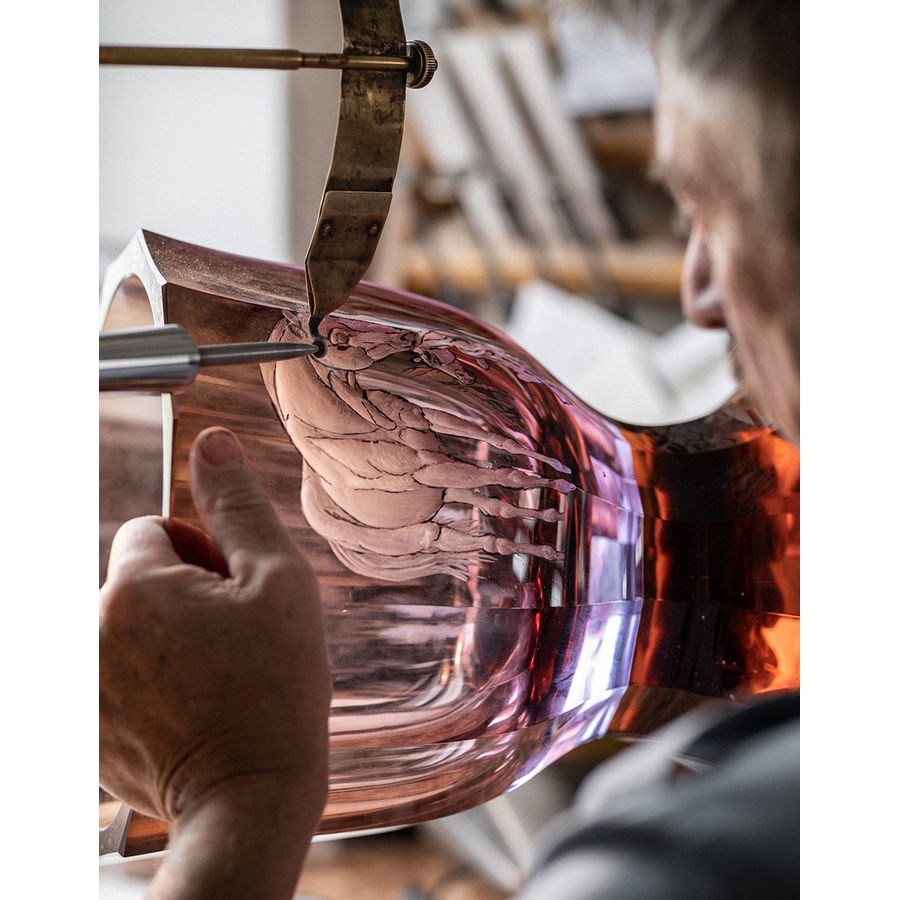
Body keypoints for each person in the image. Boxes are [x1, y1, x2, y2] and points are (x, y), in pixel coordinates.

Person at [99, 1, 799, 897]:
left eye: (711, 201)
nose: (698, 291)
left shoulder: (677, 863)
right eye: (682, 211)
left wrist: (239, 801)